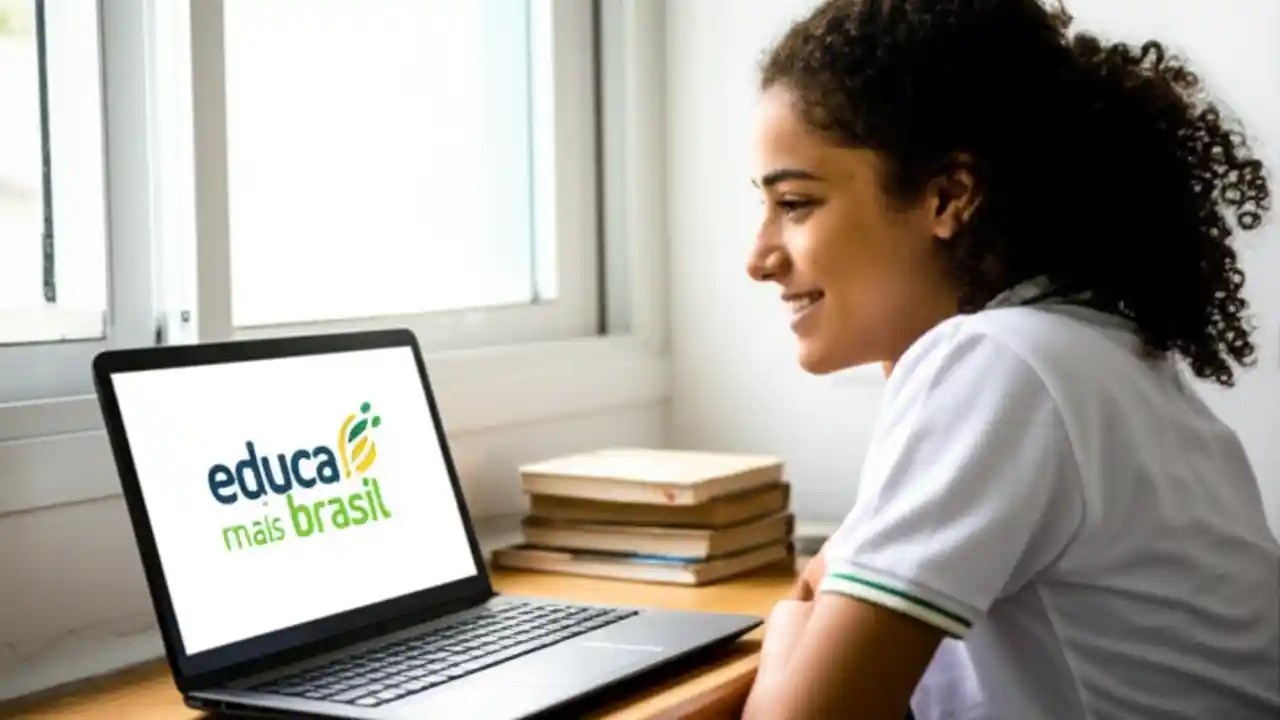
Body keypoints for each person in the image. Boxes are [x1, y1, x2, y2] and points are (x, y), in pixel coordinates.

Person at [740, 1, 1279, 718]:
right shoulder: (1090, 353)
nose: (759, 259)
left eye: (797, 203)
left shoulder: (997, 367)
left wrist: (784, 631)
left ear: (948, 196)